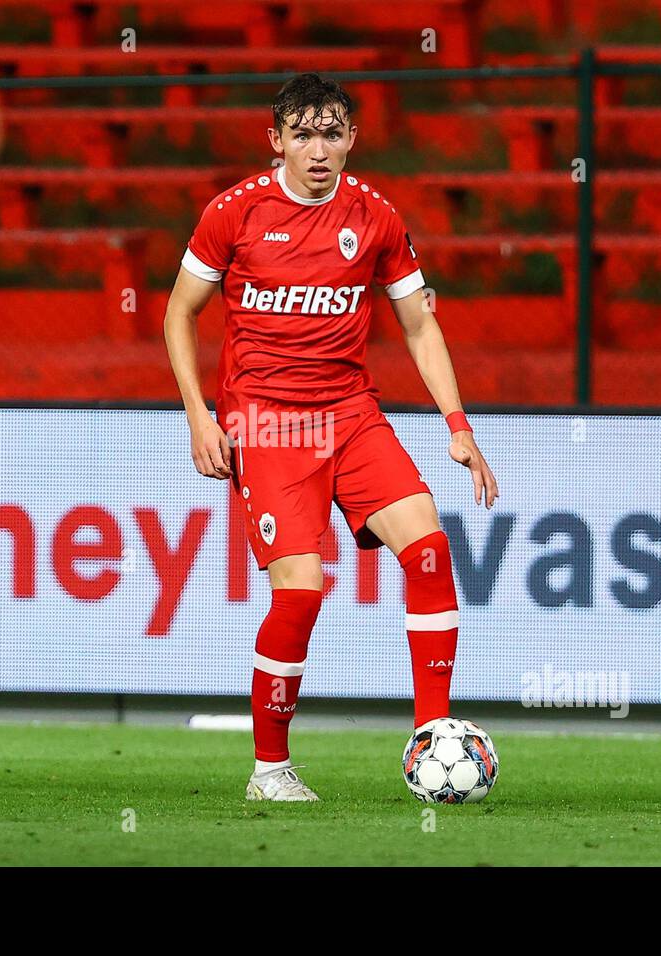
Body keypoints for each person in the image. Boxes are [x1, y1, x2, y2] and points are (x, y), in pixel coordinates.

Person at [164, 73, 499, 801]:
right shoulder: (235, 213)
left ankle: (430, 741)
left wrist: (458, 424)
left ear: (352, 138)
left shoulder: (374, 216)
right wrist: (199, 416)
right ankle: (270, 770)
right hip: (267, 421)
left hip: (350, 414)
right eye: (303, 133)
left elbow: (418, 322)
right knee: (302, 592)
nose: (318, 149)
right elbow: (179, 311)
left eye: (332, 133)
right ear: (276, 138)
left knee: (431, 549)